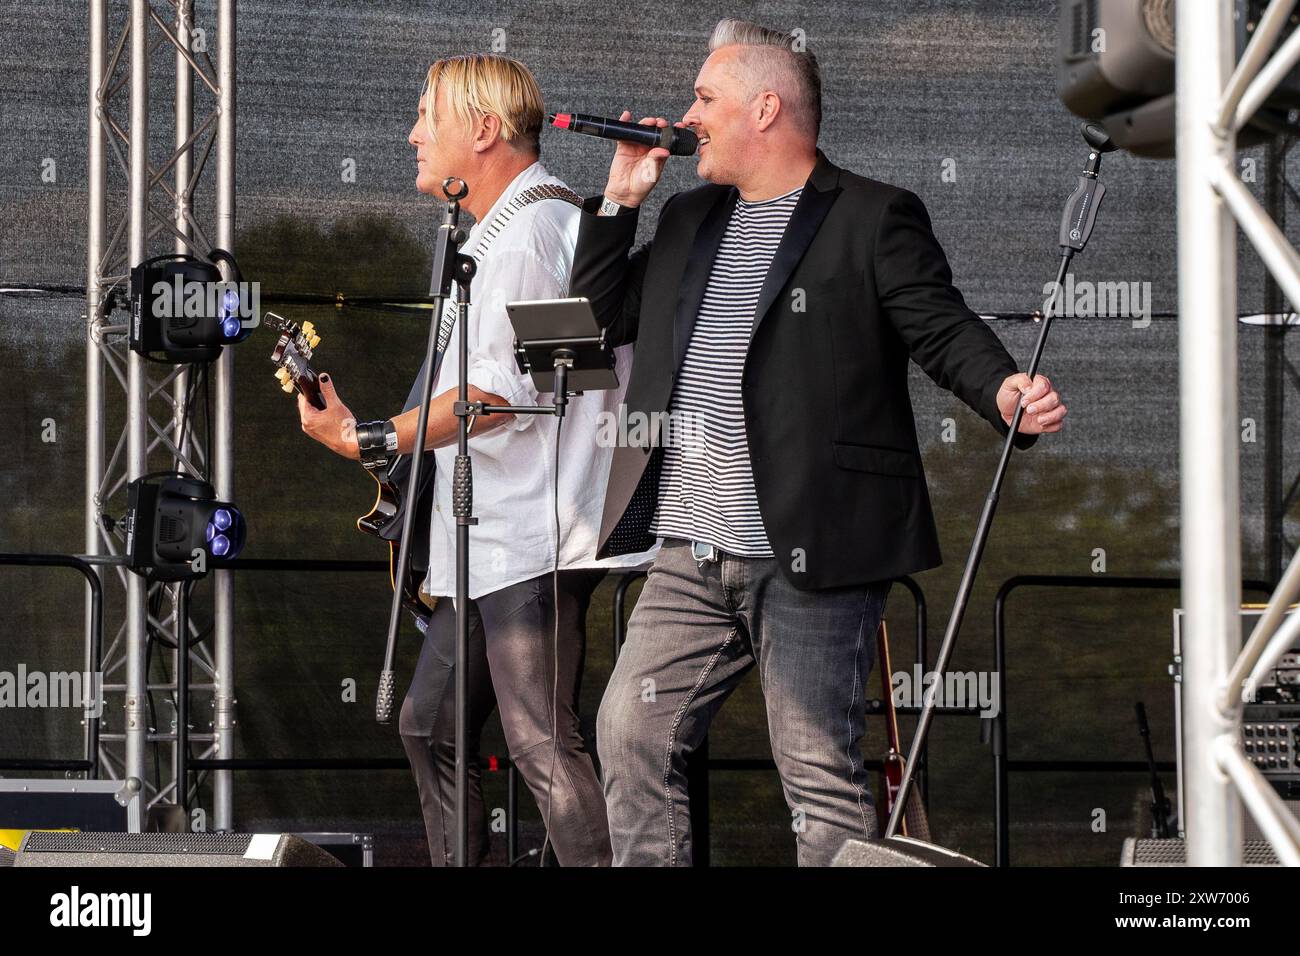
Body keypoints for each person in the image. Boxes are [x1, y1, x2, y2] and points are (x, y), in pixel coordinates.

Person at [569, 18, 1066, 866]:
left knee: (816, 772)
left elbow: (940, 329)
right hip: (692, 546)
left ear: (765, 108)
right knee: (629, 735)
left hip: (813, 547)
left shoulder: (872, 216)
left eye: (705, 98)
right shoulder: (690, 217)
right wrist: (621, 199)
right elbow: (596, 321)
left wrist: (1002, 386)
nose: (687, 116)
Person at [298, 54, 649, 866]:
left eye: (429, 115)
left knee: (540, 742)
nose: (414, 134)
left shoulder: (535, 231)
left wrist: (367, 438)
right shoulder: (497, 232)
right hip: (492, 537)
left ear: (485, 130)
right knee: (430, 724)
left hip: (537, 535)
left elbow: (509, 398)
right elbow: (516, 382)